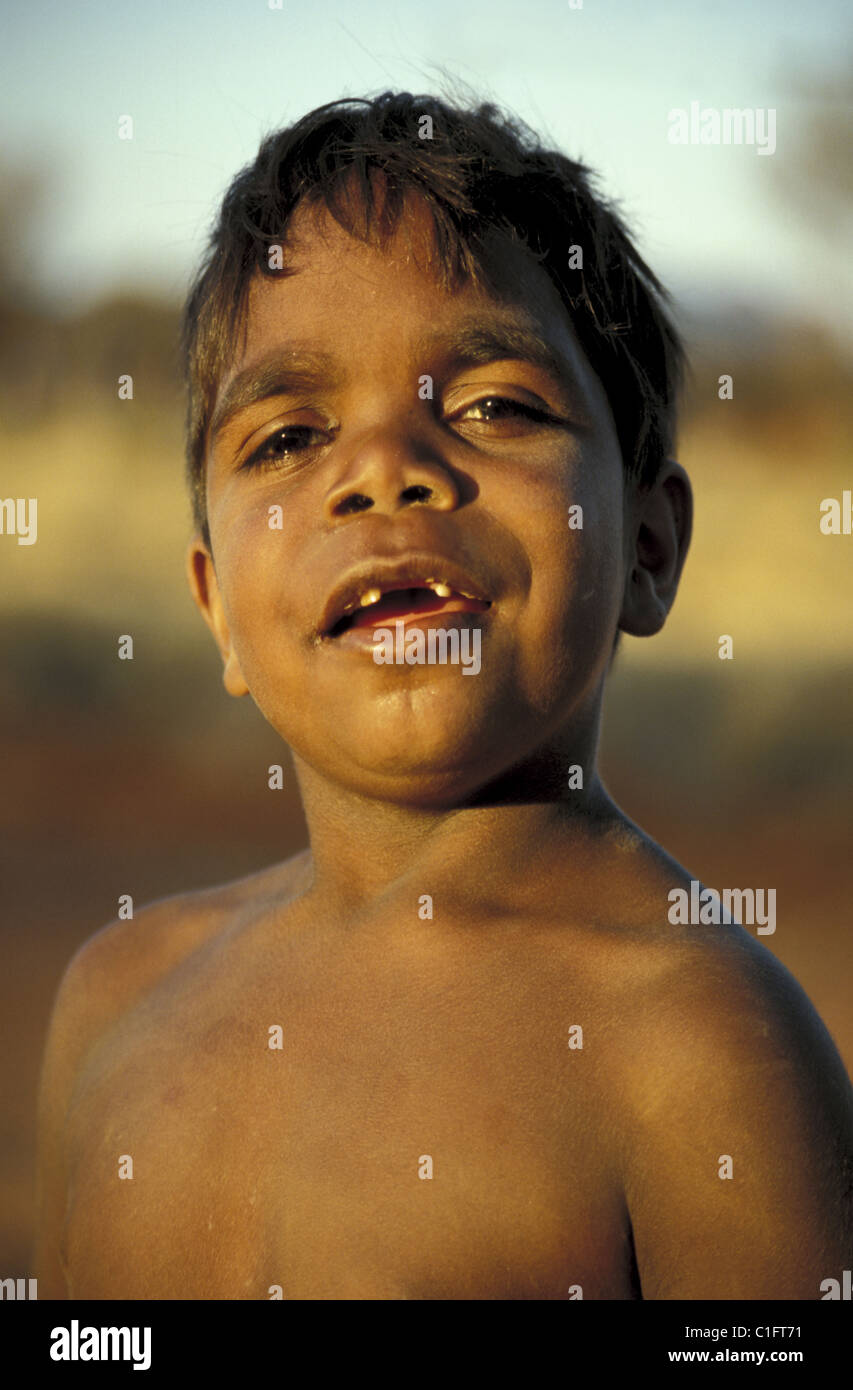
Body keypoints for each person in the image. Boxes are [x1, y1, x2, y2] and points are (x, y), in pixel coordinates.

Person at [33, 90, 853, 1300]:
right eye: (287, 437)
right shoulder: (115, 993)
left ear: (645, 546)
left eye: (491, 407)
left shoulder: (698, 1049)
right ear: (217, 610)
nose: (383, 469)